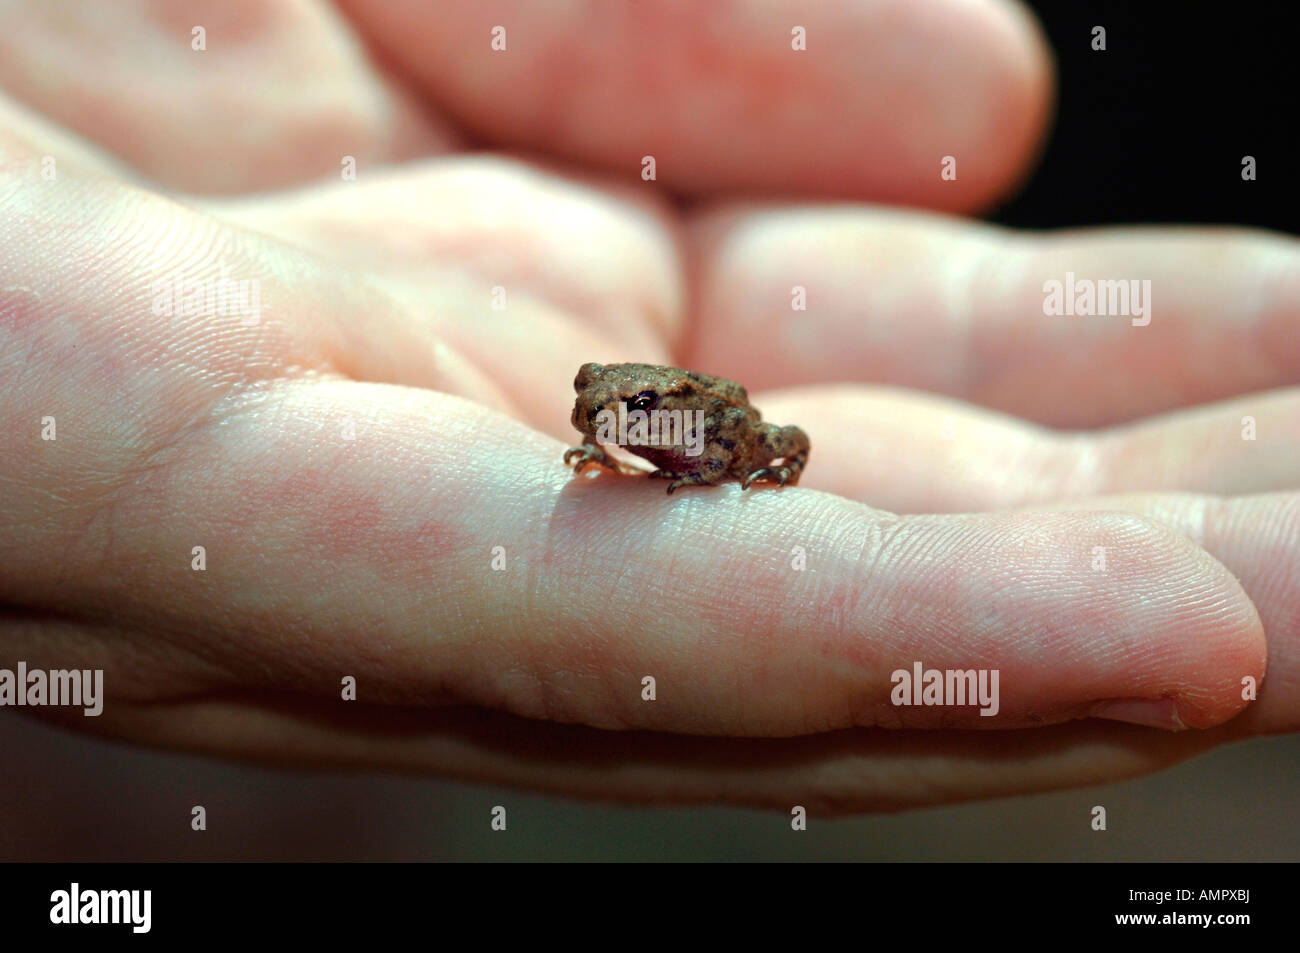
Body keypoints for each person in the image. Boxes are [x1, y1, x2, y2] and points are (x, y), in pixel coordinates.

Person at [0, 0, 1294, 813]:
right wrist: (607, 447)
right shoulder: (614, 424)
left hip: (731, 431)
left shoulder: (702, 417)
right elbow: (606, 437)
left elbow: (756, 437)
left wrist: (729, 467)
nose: (606, 416)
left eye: (625, 405)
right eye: (599, 406)